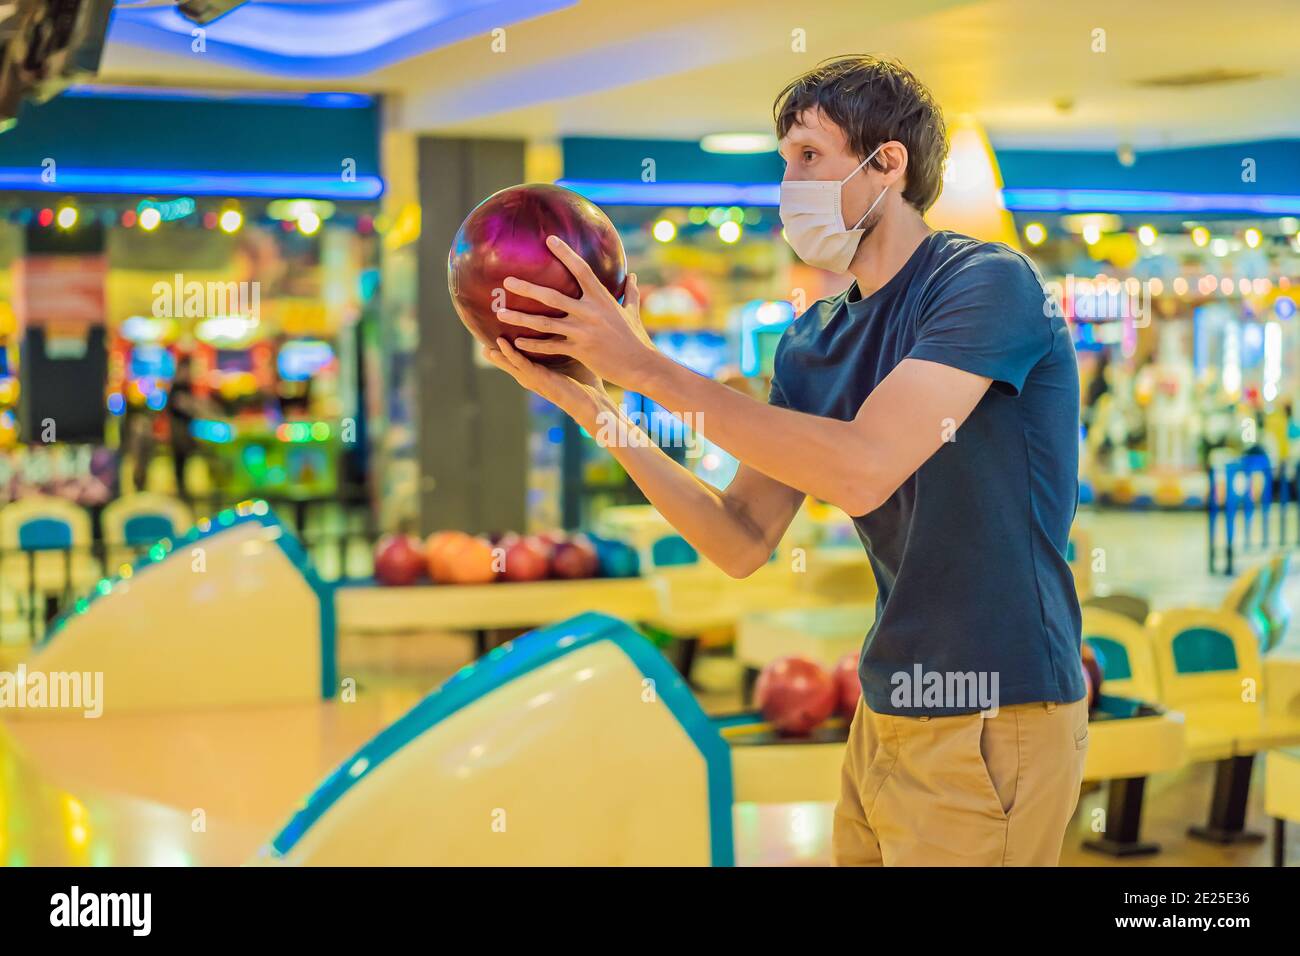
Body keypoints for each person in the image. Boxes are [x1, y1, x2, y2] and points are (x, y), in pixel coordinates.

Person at [481, 55, 1087, 866]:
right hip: (888, 707)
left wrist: (648, 367)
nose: (788, 183)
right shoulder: (812, 342)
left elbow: (864, 466)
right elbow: (738, 538)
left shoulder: (984, 283)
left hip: (994, 706)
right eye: (784, 162)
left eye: (809, 156)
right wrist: (598, 409)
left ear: (888, 164)